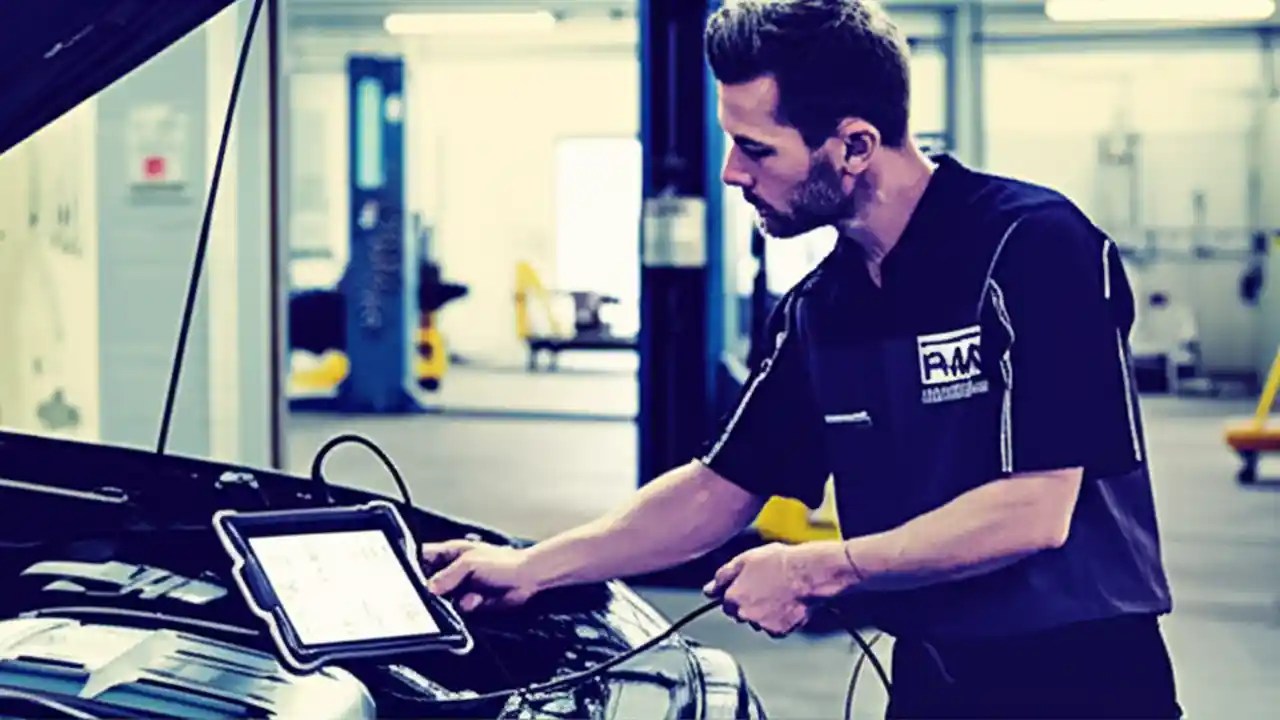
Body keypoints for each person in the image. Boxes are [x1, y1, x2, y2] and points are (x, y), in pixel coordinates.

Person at [419, 1, 1182, 717]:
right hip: (930, 677)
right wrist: (529, 568)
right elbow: (720, 489)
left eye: (755, 149)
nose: (731, 173)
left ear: (854, 146)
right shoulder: (824, 306)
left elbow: (1037, 510)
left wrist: (821, 568)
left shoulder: (1031, 248)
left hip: (1082, 679)